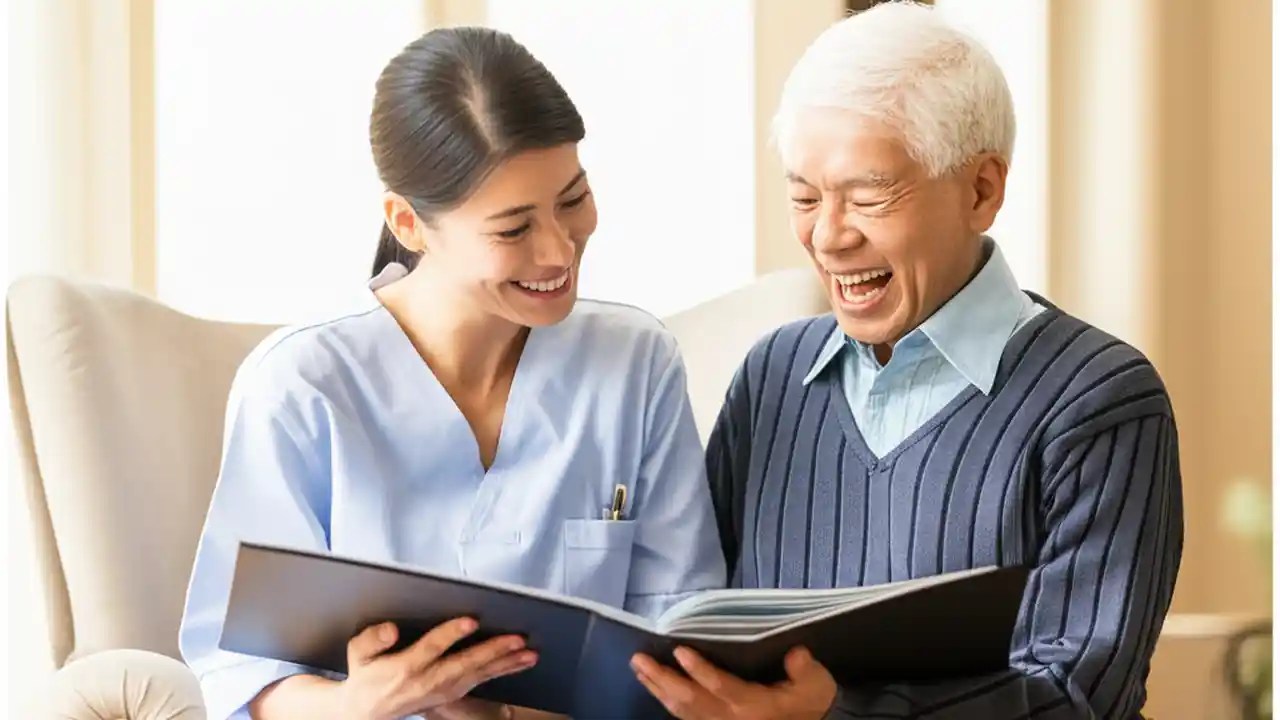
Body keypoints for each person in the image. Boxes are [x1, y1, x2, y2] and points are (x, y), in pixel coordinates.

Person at [631, 3, 1183, 718]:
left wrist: (837, 713)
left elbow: (1079, 698)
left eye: (867, 197)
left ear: (981, 189)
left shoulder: (1101, 401)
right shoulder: (771, 379)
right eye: (804, 197)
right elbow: (699, 633)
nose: (828, 236)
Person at [178, 27, 725, 720]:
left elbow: (682, 628)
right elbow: (241, 672)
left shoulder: (636, 363)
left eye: (573, 198)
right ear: (408, 222)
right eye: (513, 228)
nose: (559, 249)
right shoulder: (302, 387)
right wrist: (363, 704)